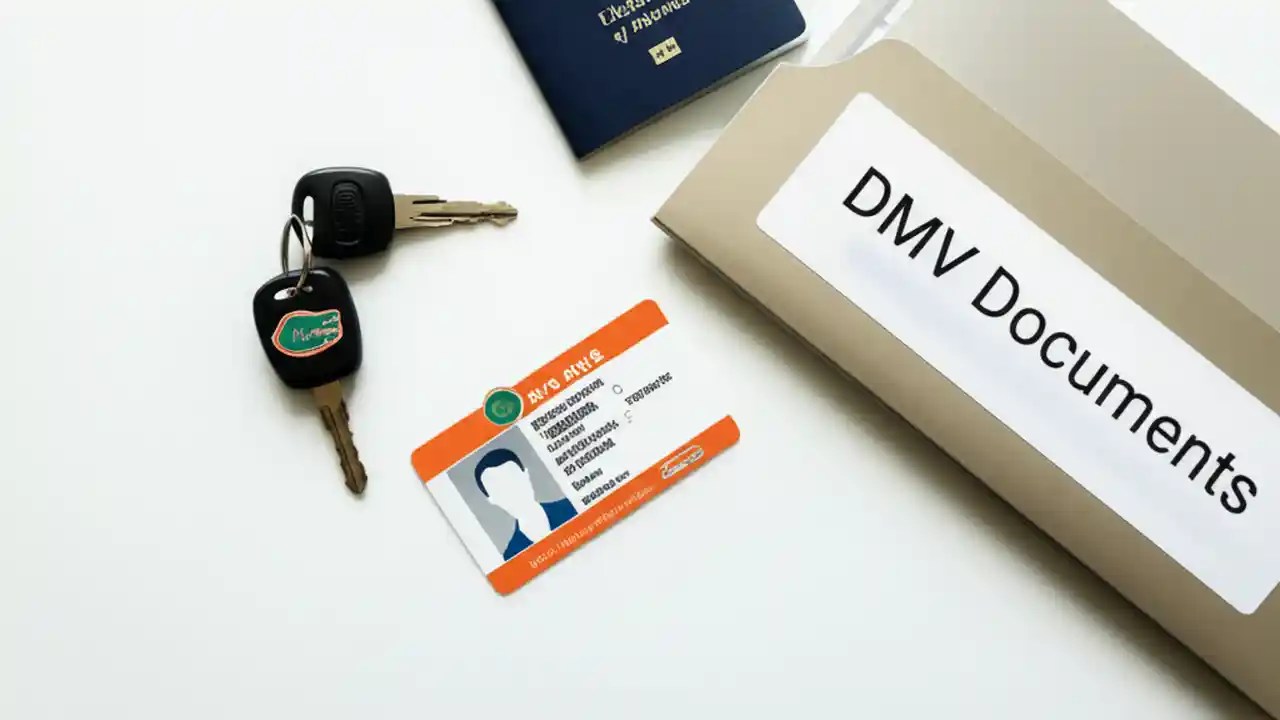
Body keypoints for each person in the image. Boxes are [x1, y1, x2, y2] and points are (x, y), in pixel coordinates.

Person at [474, 448, 577, 560]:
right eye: (498, 488)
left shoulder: (572, 506)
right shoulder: (512, 556)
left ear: (526, 475)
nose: (512, 491)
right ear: (491, 500)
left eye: (513, 477)